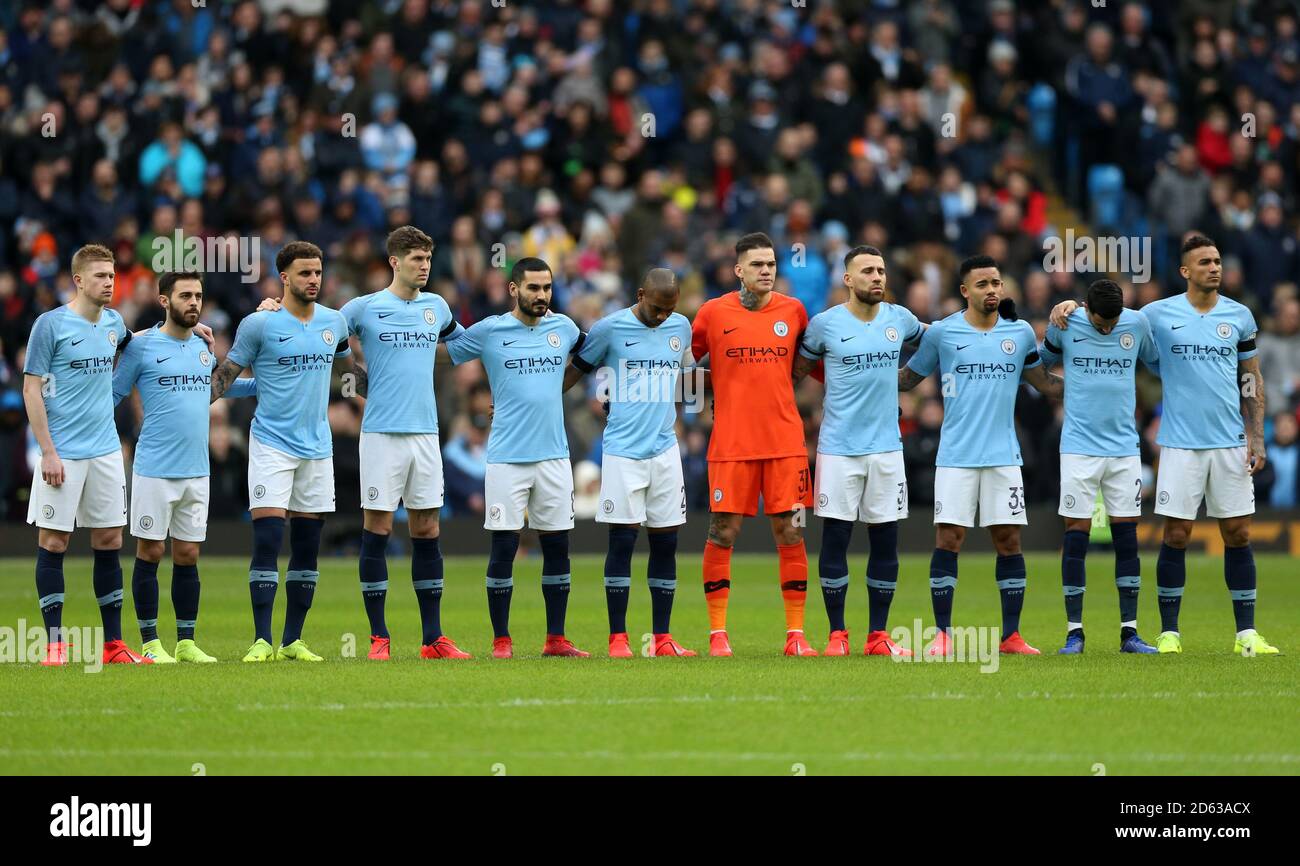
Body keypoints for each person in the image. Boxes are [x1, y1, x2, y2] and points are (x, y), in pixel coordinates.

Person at [1050, 235, 1279, 655]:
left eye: (1217, 260)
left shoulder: (1240, 316)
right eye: (1205, 262)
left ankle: (1246, 633)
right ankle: (1169, 632)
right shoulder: (1155, 315)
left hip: (1229, 441)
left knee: (1239, 532)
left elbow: (1250, 377)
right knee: (1176, 534)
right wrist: (1068, 305)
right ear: (1185, 271)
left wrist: (1257, 435)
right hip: (1178, 443)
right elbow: (1108, 311)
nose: (1214, 267)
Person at [899, 255, 1064, 656]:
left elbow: (1042, 381)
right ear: (964, 291)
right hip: (955, 455)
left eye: (996, 283)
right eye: (983, 284)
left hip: (1004, 456)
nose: (991, 290)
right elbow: (909, 377)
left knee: (1008, 540)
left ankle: (1011, 636)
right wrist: (863, 369)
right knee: (949, 538)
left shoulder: (1021, 333)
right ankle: (942, 634)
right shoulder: (943, 333)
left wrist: (1094, 377)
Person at [210, 241, 363, 663]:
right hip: (271, 444)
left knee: (308, 543)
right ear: (284, 277)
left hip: (317, 448)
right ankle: (262, 639)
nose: (313, 280)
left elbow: (350, 372)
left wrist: (383, 397)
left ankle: (292, 640)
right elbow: (226, 377)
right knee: (269, 537)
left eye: (317, 272)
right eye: (304, 273)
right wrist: (187, 398)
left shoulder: (334, 323)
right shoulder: (259, 325)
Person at [445, 257, 589, 659]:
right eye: (533, 288)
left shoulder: (564, 327)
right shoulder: (490, 331)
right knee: (504, 546)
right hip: (507, 458)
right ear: (514, 289)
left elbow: (591, 354)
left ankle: (556, 639)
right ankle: (501, 640)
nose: (541, 296)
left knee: (557, 547)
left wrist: (556, 391)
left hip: (554, 457)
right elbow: (445, 353)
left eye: (546, 288)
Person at [112, 271, 257, 663]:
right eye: (186, 296)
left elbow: (211, 389)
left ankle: (186, 642)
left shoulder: (201, 347)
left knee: (188, 553)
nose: (194, 302)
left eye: (198, 296)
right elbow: (114, 393)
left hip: (197, 469)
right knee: (151, 550)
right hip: (154, 467)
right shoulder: (142, 348)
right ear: (164, 301)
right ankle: (150, 643)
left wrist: (264, 383)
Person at [792, 245, 923, 656]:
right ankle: (837, 635)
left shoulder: (901, 319)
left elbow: (940, 340)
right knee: (836, 538)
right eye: (867, 271)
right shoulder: (824, 325)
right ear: (848, 280)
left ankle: (878, 636)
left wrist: (908, 381)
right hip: (838, 449)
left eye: (881, 270)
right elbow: (793, 373)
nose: (878, 277)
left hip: (886, 449)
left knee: (885, 539)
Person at [691, 232, 817, 657]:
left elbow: (809, 363)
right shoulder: (711, 313)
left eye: (771, 264)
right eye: (757, 264)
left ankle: (796, 636)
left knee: (791, 531)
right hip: (731, 445)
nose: (766, 271)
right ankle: (717, 634)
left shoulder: (794, 311)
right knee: (723, 531)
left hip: (785, 444)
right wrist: (709, 397)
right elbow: (687, 364)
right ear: (738, 270)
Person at [564, 267, 696, 658]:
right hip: (622, 451)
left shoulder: (680, 326)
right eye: (656, 308)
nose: (661, 317)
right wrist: (532, 399)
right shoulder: (609, 328)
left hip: (665, 448)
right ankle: (618, 638)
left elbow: (687, 376)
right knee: (622, 543)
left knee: (666, 543)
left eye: (669, 310)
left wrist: (701, 408)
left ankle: (662, 638)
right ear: (640, 294)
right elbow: (577, 371)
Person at [1037, 279, 1161, 655]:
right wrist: (1060, 310)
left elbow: (1157, 362)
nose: (1107, 329)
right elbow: (1041, 363)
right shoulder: (1067, 323)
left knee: (1127, 537)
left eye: (1112, 323)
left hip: (1124, 448)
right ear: (1086, 308)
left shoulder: (1136, 324)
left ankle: (1130, 633)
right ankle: (1074, 632)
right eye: (1100, 323)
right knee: (1076, 534)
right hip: (1078, 448)